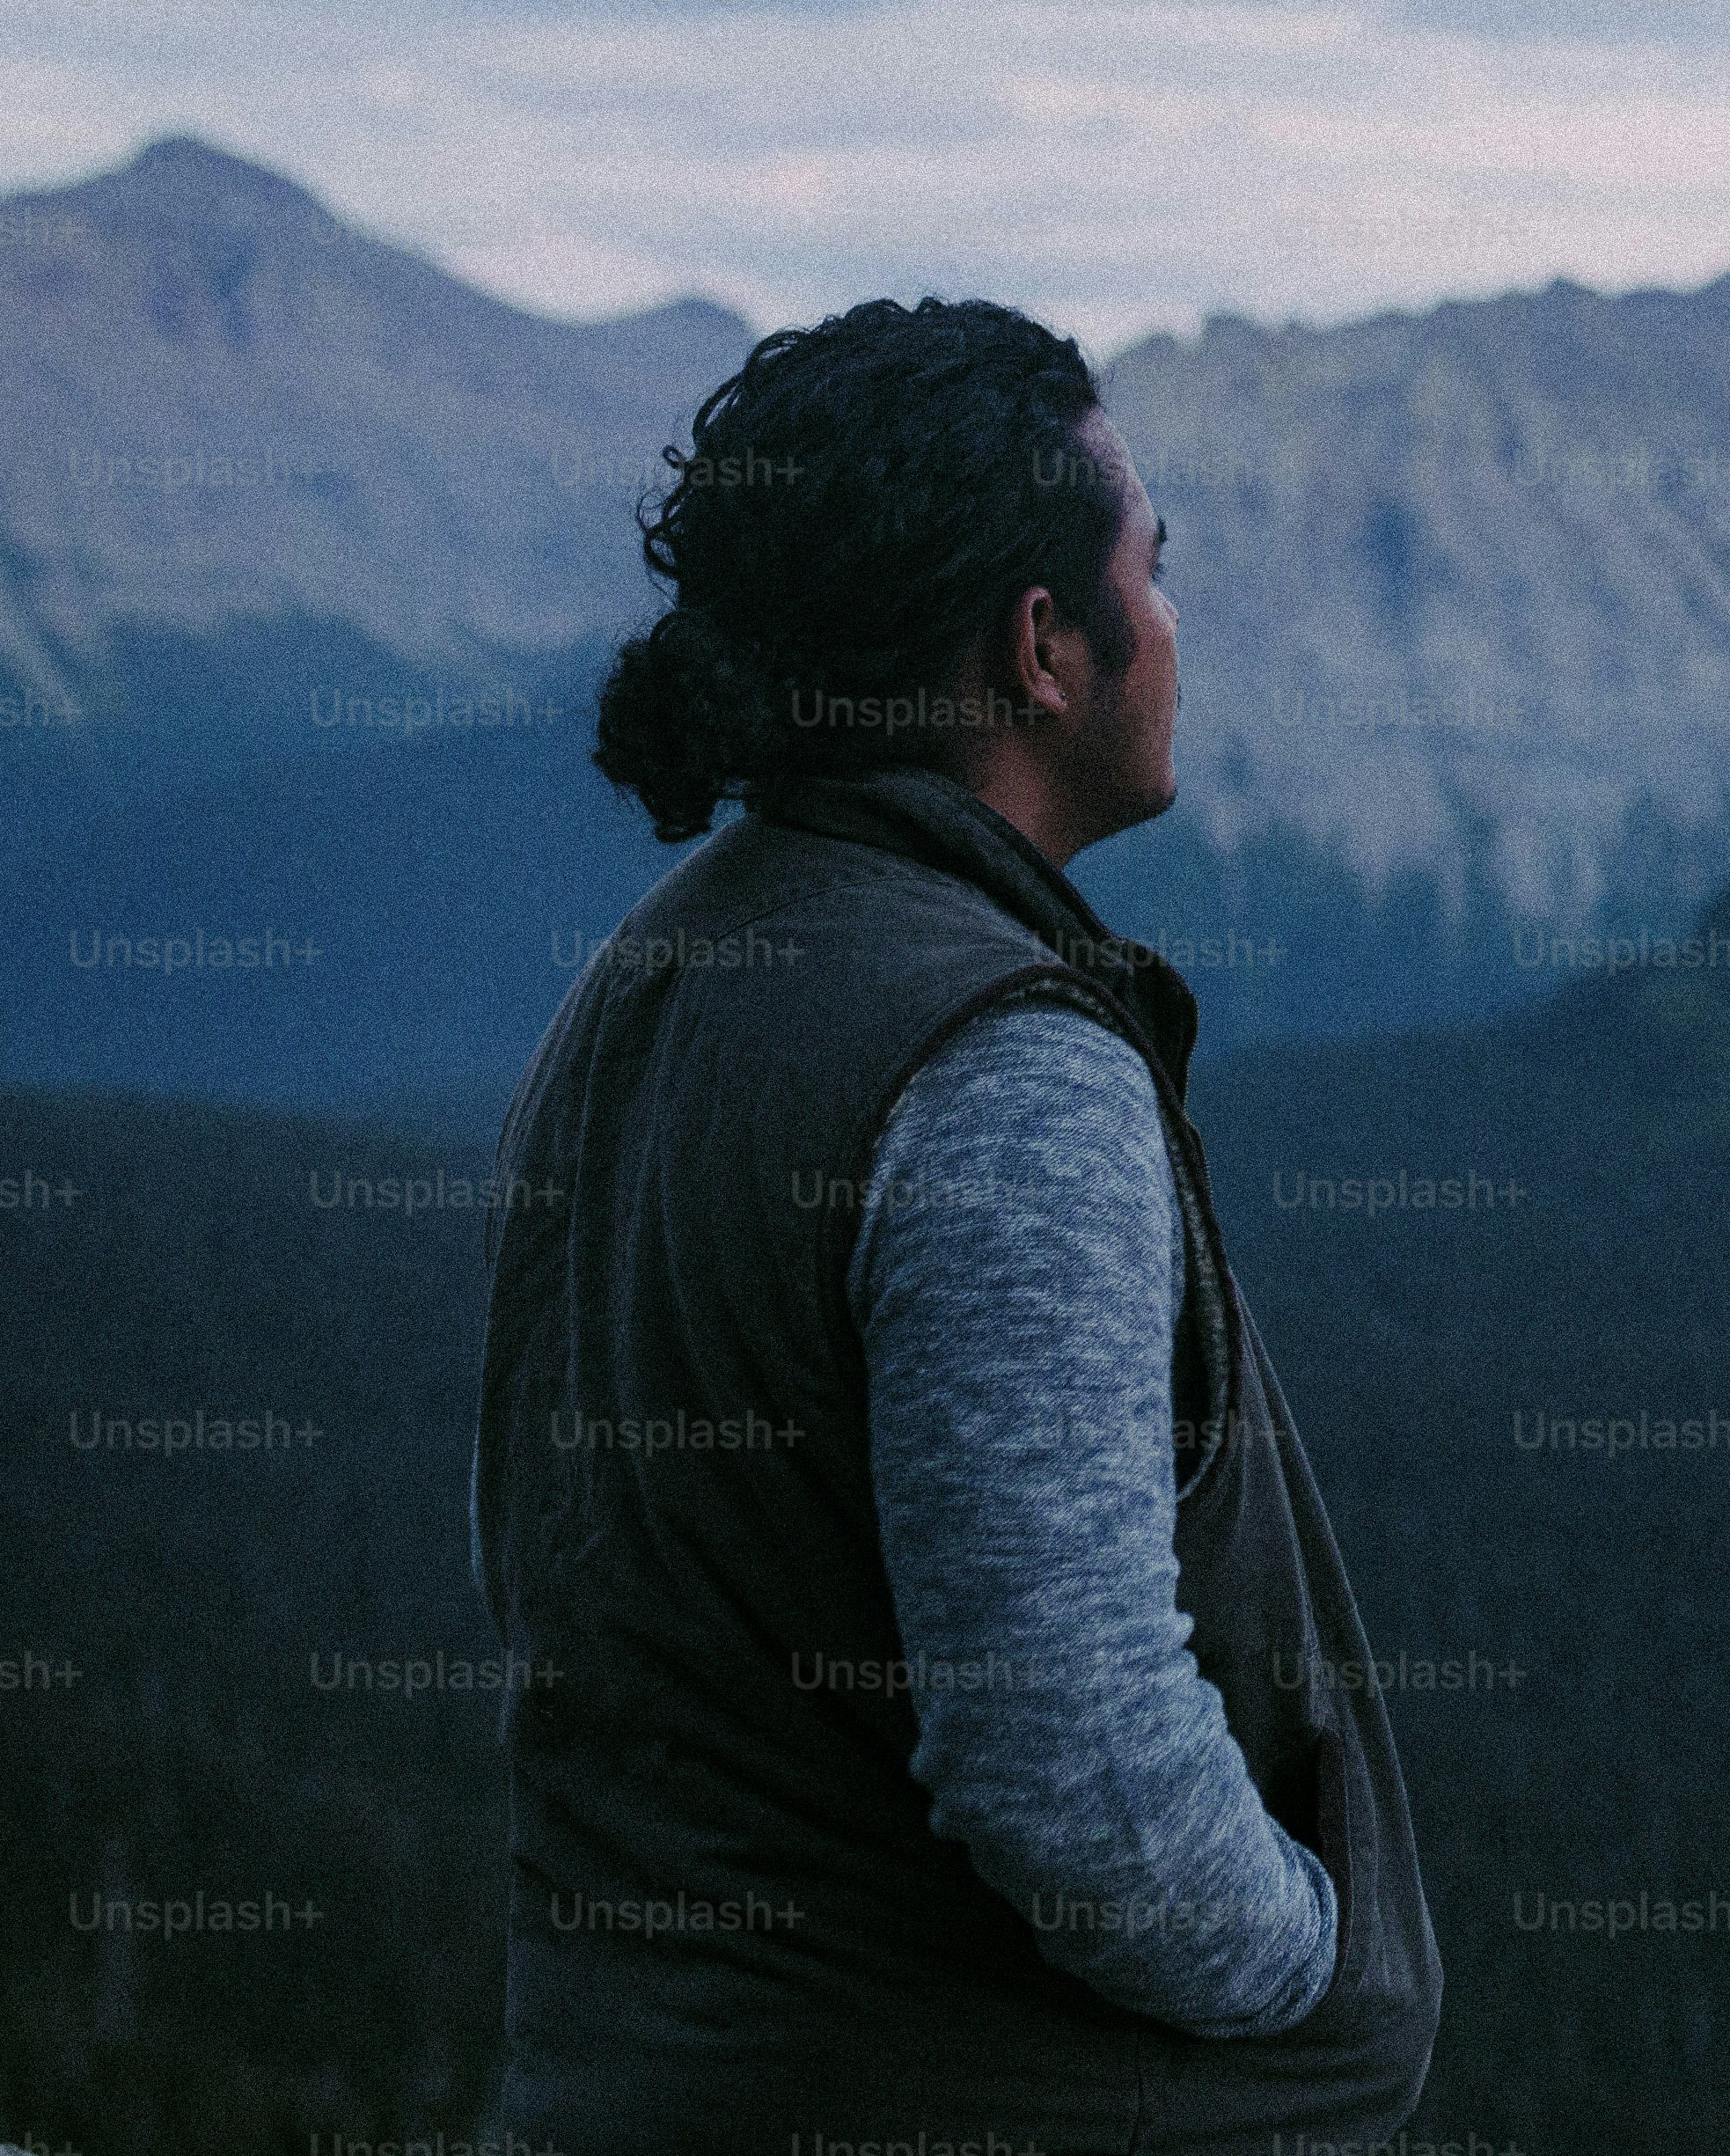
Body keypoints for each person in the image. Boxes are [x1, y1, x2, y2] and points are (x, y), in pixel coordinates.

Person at [472, 295, 1438, 2148]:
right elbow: (1065, 1757)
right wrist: (1324, 1967)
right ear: (1045, 648)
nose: (1177, 623)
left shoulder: (647, 979)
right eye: (1153, 570)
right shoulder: (1003, 1063)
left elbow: (547, 1561)